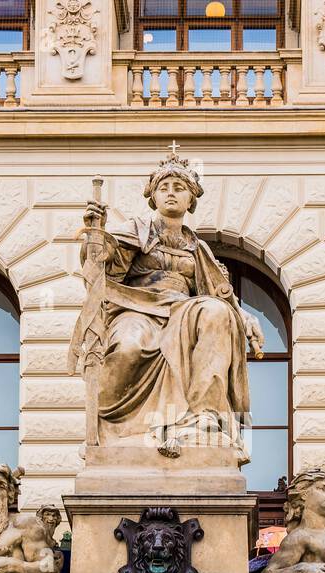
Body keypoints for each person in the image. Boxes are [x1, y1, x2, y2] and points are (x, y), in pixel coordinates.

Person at [72, 151, 265, 458]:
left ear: (191, 200)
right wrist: (96, 237)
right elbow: (104, 267)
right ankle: (113, 428)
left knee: (217, 312)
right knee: (128, 346)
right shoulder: (137, 230)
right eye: (165, 188)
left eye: (179, 188)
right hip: (137, 307)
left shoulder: (197, 247)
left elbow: (220, 291)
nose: (171, 193)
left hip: (181, 313)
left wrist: (244, 316)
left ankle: (205, 415)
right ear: (154, 197)